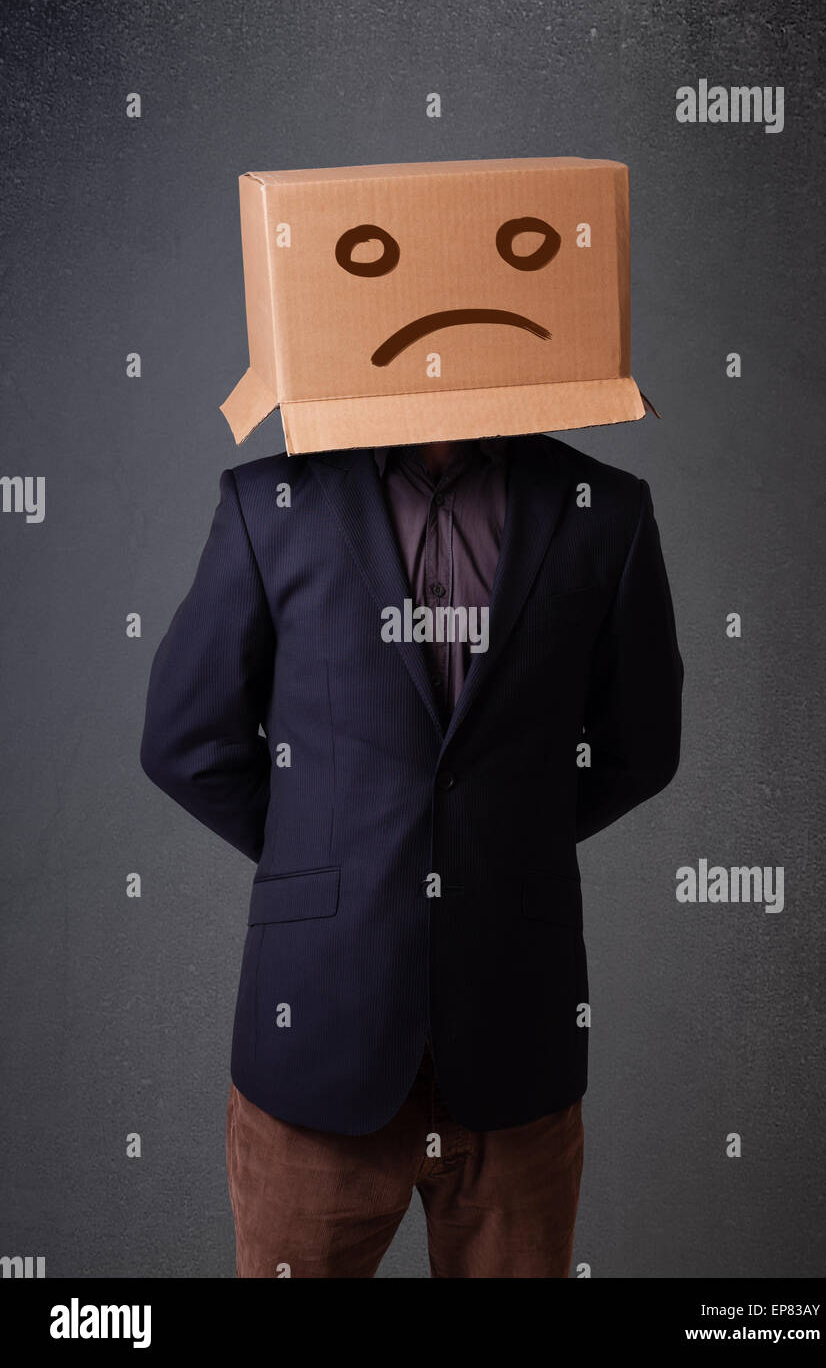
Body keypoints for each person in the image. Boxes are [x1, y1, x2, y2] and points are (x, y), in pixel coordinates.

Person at [140, 427, 683, 1277]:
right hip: (318, 1044)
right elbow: (186, 741)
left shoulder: (603, 509)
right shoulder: (271, 503)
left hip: (517, 1053)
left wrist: (498, 843)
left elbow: (642, 746)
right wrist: (324, 856)